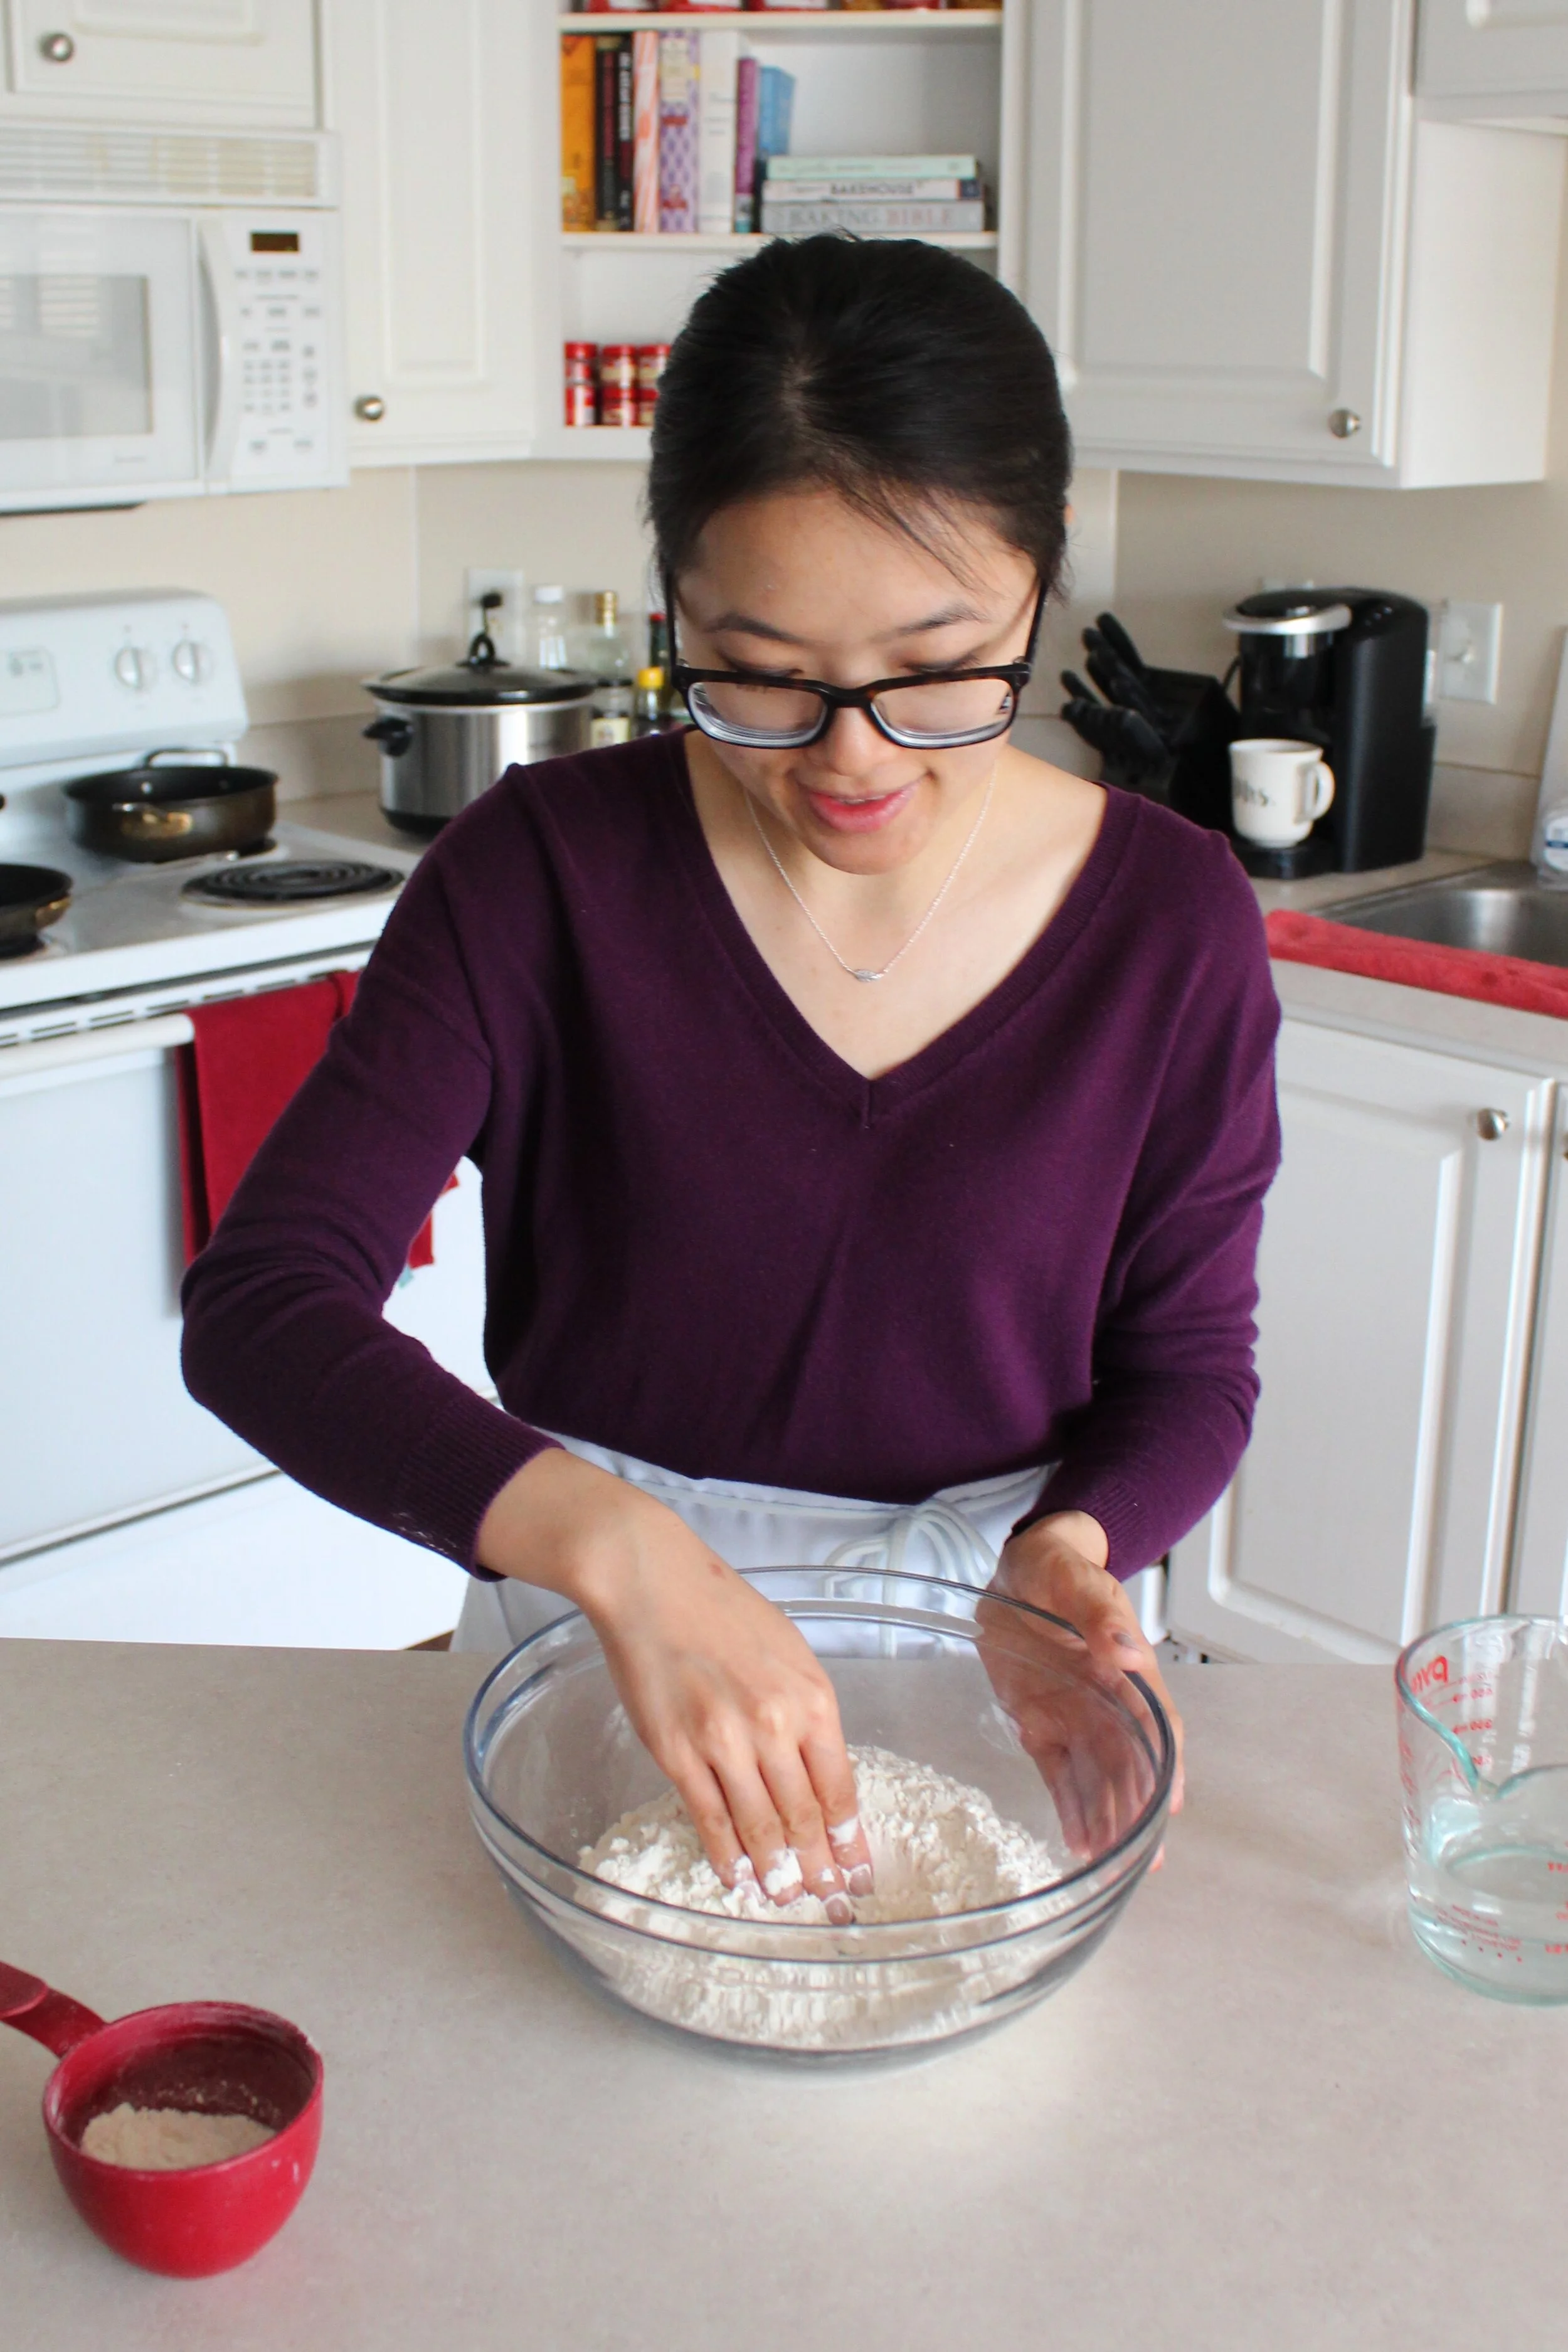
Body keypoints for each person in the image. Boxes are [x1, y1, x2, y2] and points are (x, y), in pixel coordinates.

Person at [183, 236, 1279, 1922]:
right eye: (758, 671)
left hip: (997, 1647)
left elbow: (1188, 1366)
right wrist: (620, 1552)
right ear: (671, 600)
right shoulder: (535, 871)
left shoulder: (1170, 918)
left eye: (937, 666)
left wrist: (1068, 1550)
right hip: (602, 1635)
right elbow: (265, 1306)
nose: (851, 755)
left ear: (1041, 573)